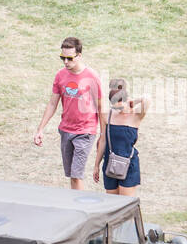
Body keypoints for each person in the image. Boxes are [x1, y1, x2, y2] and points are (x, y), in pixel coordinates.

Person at [33, 37, 102, 191]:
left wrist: (103, 134)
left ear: (79, 56)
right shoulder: (60, 75)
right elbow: (52, 103)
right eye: (62, 58)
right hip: (66, 130)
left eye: (69, 58)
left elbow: (101, 107)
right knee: (72, 175)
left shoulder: (92, 77)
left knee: (77, 176)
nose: (65, 62)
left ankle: (82, 211)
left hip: (85, 131)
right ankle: (76, 206)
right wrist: (40, 129)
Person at [94, 79, 150, 196]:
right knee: (112, 203)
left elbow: (147, 99)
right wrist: (96, 165)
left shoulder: (136, 115)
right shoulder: (106, 115)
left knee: (125, 205)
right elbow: (103, 140)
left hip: (129, 164)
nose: (118, 111)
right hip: (110, 164)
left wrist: (132, 102)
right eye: (115, 108)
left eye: (121, 107)